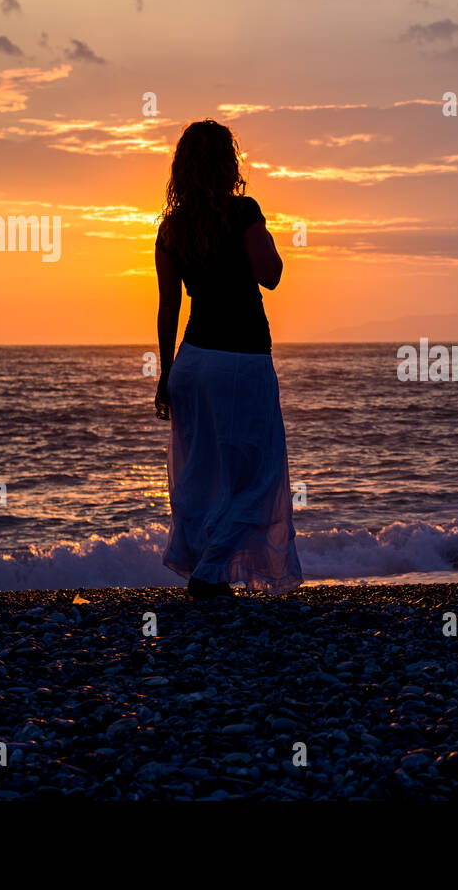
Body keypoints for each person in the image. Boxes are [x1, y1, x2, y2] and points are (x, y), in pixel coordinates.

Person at [153, 119, 303, 598]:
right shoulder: (243, 212)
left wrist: (165, 375)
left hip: (192, 363)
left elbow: (168, 309)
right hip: (240, 360)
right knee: (257, 475)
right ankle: (208, 574)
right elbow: (272, 275)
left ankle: (210, 576)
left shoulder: (171, 230)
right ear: (227, 165)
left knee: (202, 476)